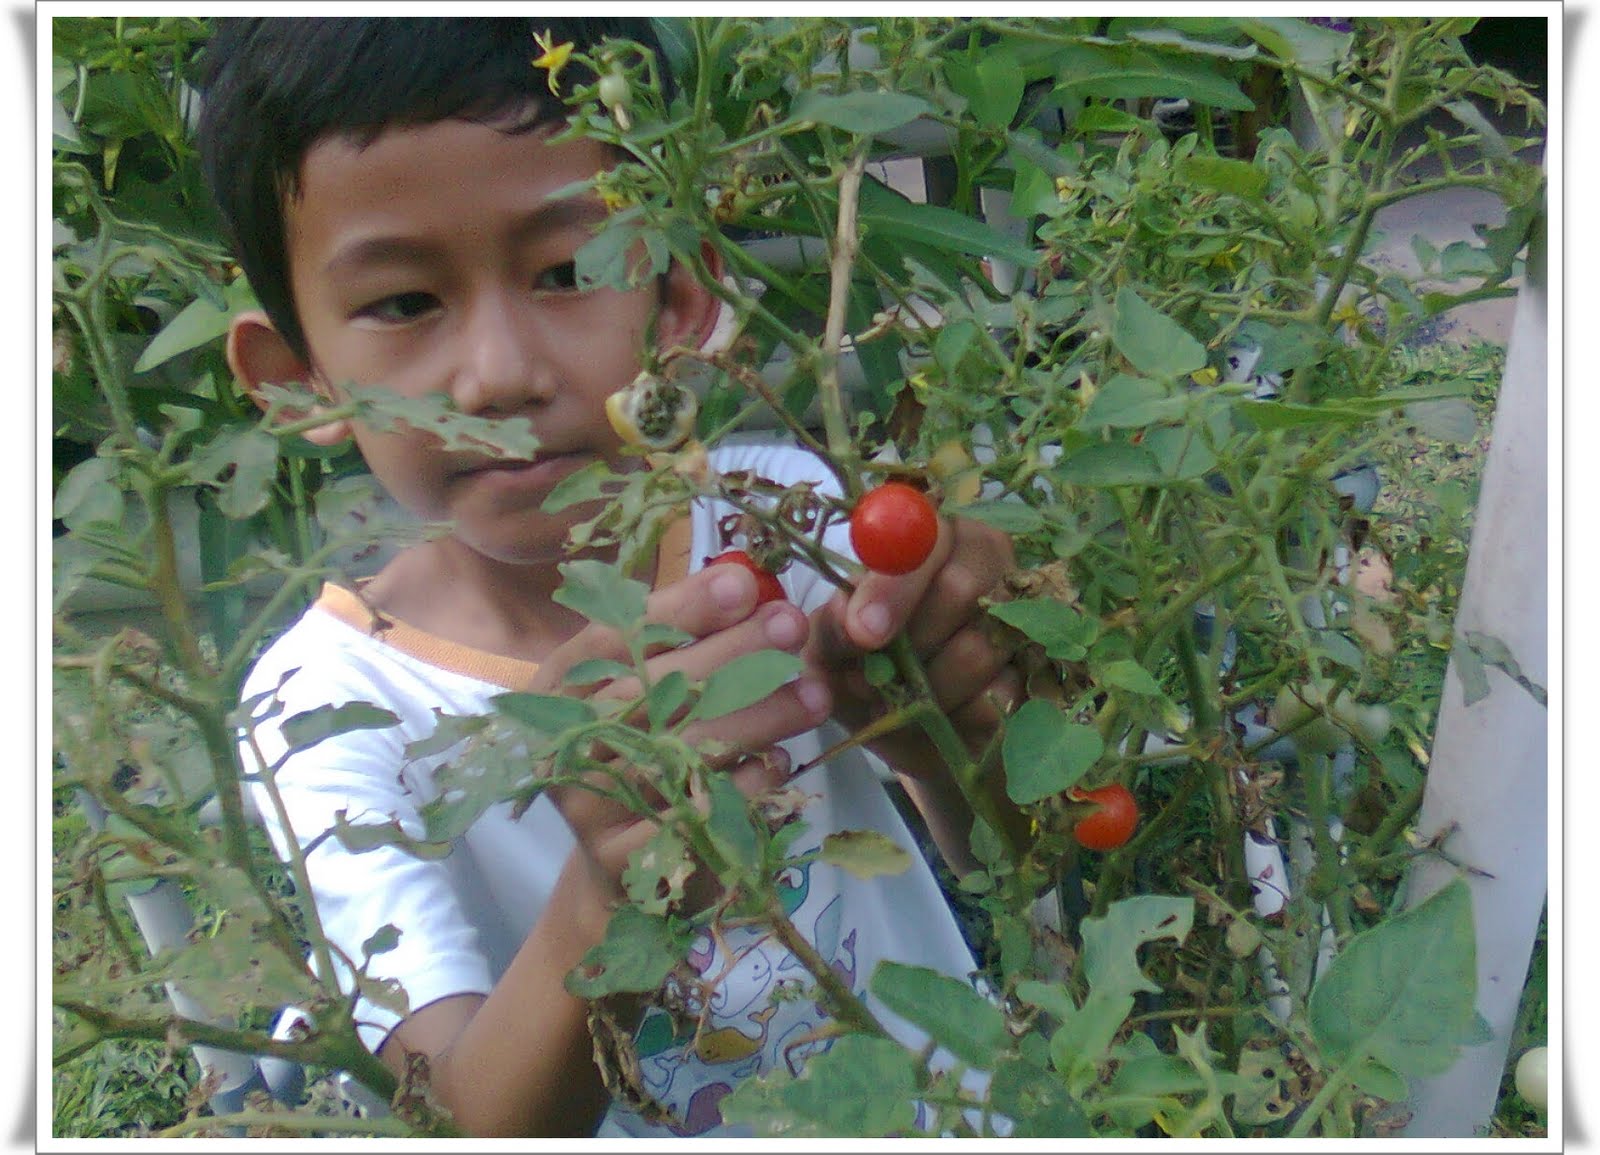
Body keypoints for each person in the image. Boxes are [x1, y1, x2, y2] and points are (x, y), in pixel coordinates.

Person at [201, 16, 1022, 1138]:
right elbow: (451, 1121)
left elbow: (1021, 863)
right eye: (403, 303)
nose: (497, 374)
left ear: (681, 304)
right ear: (298, 381)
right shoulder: (320, 714)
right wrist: (606, 902)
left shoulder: (778, 513)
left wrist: (955, 728)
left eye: (570, 270)